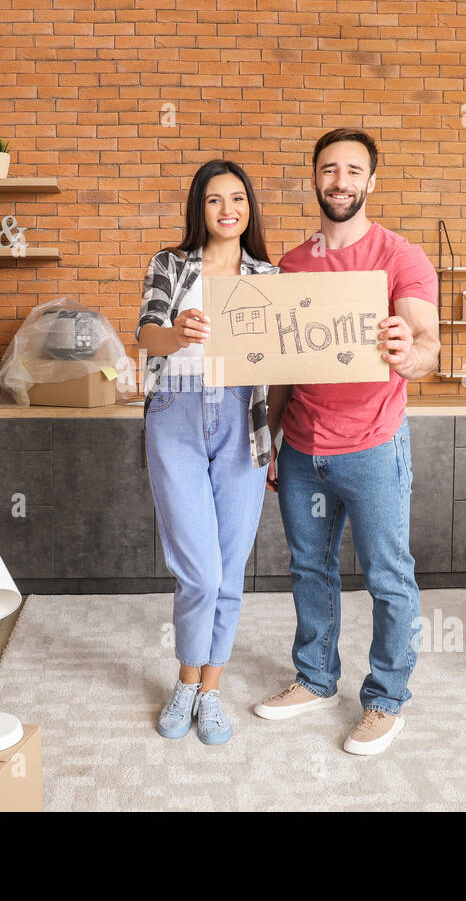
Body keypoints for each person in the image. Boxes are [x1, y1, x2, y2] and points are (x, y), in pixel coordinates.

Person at [254, 128, 440, 756]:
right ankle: (315, 679)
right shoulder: (293, 265)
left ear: (370, 181)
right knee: (309, 568)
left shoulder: (401, 258)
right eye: (329, 170)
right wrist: (272, 438)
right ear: (315, 177)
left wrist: (405, 350)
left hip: (373, 445)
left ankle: (386, 699)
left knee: (388, 577)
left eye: (353, 170)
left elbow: (427, 351)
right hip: (304, 448)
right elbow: (281, 365)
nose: (340, 181)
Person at [137, 159, 279, 745]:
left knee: (227, 569)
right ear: (200, 208)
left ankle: (210, 688)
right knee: (198, 570)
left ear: (250, 208)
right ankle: (185, 682)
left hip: (244, 416)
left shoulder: (269, 276)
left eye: (238, 199)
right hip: (176, 409)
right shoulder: (170, 265)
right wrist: (179, 332)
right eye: (215, 200)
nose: (228, 210)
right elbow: (146, 335)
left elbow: (282, 359)